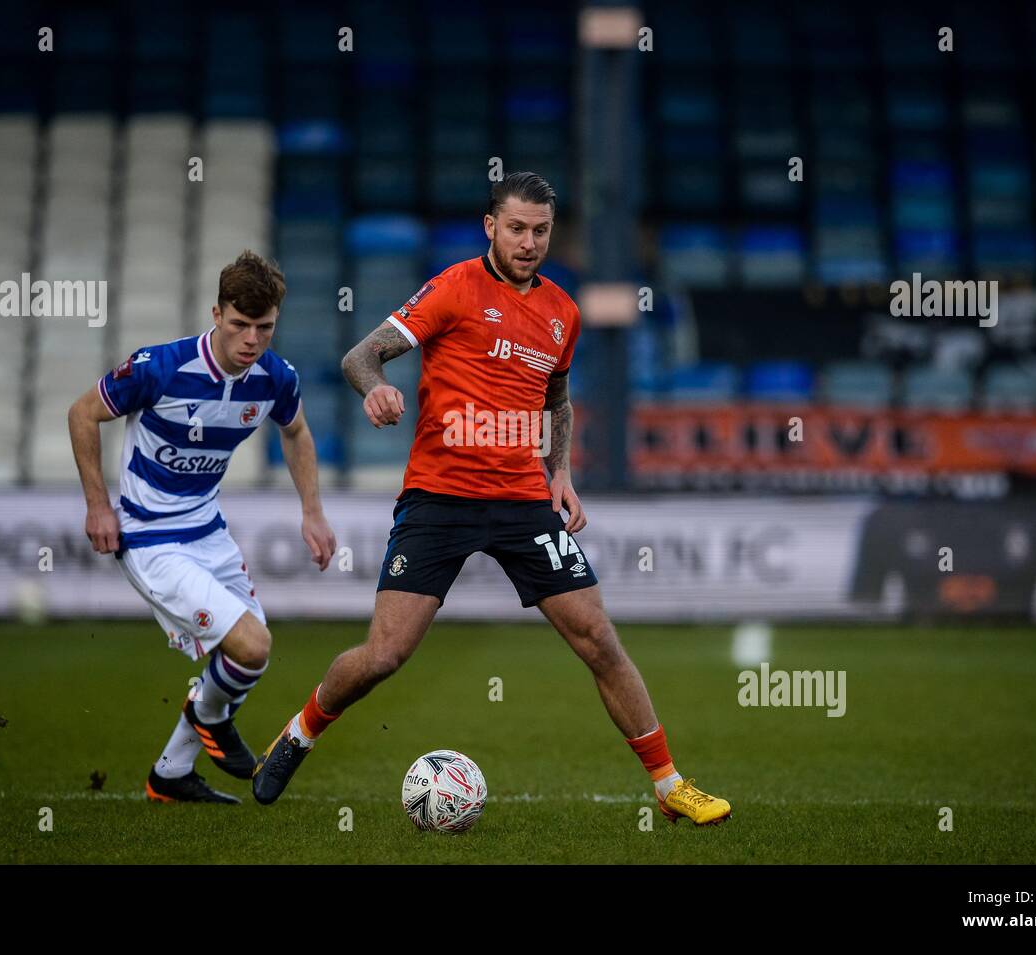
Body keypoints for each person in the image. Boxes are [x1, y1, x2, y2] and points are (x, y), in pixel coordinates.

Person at [252, 173, 730, 825]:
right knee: (385, 654)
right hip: (438, 498)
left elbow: (555, 399)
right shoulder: (454, 289)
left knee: (598, 637)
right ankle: (301, 731)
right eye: (516, 228)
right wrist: (375, 389)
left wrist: (559, 473)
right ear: (490, 227)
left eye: (540, 231)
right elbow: (361, 356)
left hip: (523, 502)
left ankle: (669, 783)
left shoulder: (564, 311)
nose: (529, 242)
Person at [67, 250, 337, 803]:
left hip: (208, 532)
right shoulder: (159, 367)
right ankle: (208, 717)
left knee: (244, 659)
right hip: (147, 536)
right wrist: (98, 505)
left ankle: (170, 775)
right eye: (240, 325)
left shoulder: (275, 378)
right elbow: (82, 414)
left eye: (264, 328)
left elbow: (297, 432)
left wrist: (312, 511)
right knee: (251, 646)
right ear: (216, 314)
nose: (251, 340)